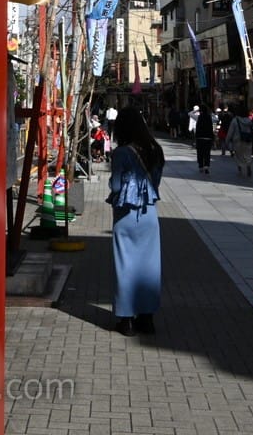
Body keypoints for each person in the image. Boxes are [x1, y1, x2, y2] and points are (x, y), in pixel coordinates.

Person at [106, 106, 164, 336]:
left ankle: (126, 320)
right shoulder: (155, 150)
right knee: (149, 267)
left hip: (126, 216)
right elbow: (156, 182)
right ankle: (147, 319)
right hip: (150, 214)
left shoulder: (121, 153)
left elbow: (117, 186)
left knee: (125, 264)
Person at [226, 105, 253, 177]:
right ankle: (248, 165)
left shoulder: (235, 120)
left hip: (237, 141)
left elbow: (230, 132)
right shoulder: (249, 121)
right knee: (248, 154)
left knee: (238, 155)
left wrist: (227, 140)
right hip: (248, 140)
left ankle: (240, 168)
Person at [194, 103, 214, 174]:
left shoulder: (200, 117)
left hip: (200, 137)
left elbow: (198, 128)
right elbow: (211, 128)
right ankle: (206, 166)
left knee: (200, 152)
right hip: (208, 138)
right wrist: (212, 137)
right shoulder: (209, 117)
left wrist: (196, 137)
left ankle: (201, 166)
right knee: (207, 153)